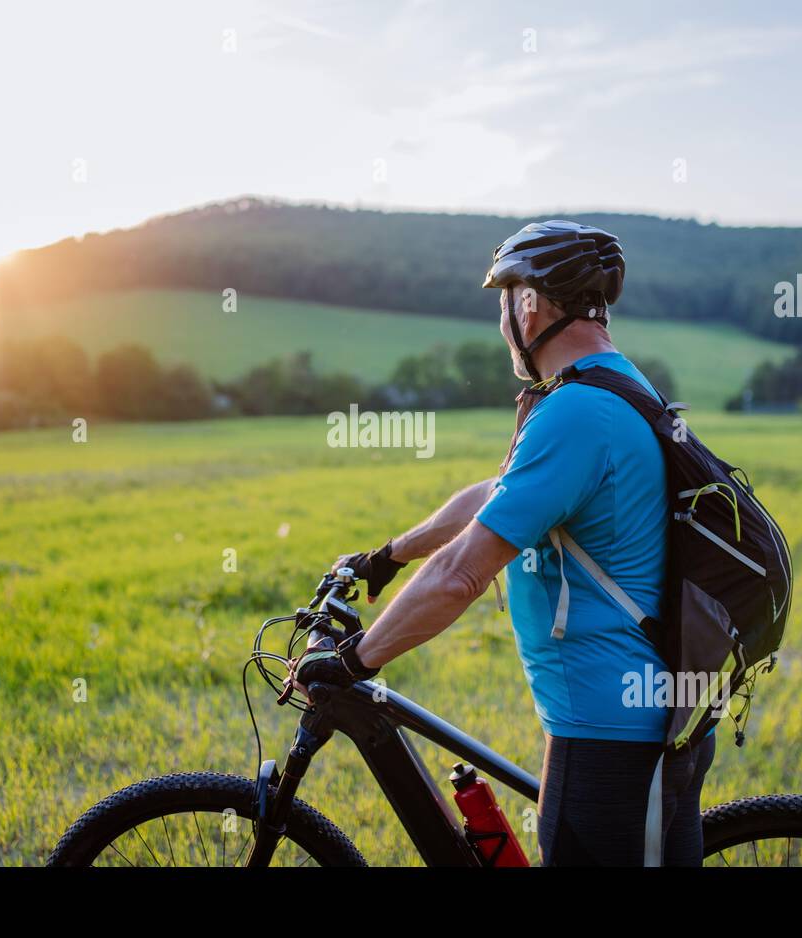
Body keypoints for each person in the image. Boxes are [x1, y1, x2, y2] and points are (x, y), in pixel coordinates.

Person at [289, 221, 714, 866]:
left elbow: (462, 573)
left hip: (608, 732)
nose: (500, 322)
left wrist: (356, 660)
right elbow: (500, 495)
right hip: (653, 714)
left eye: (502, 300)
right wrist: (387, 556)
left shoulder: (577, 413)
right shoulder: (616, 389)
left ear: (531, 302)